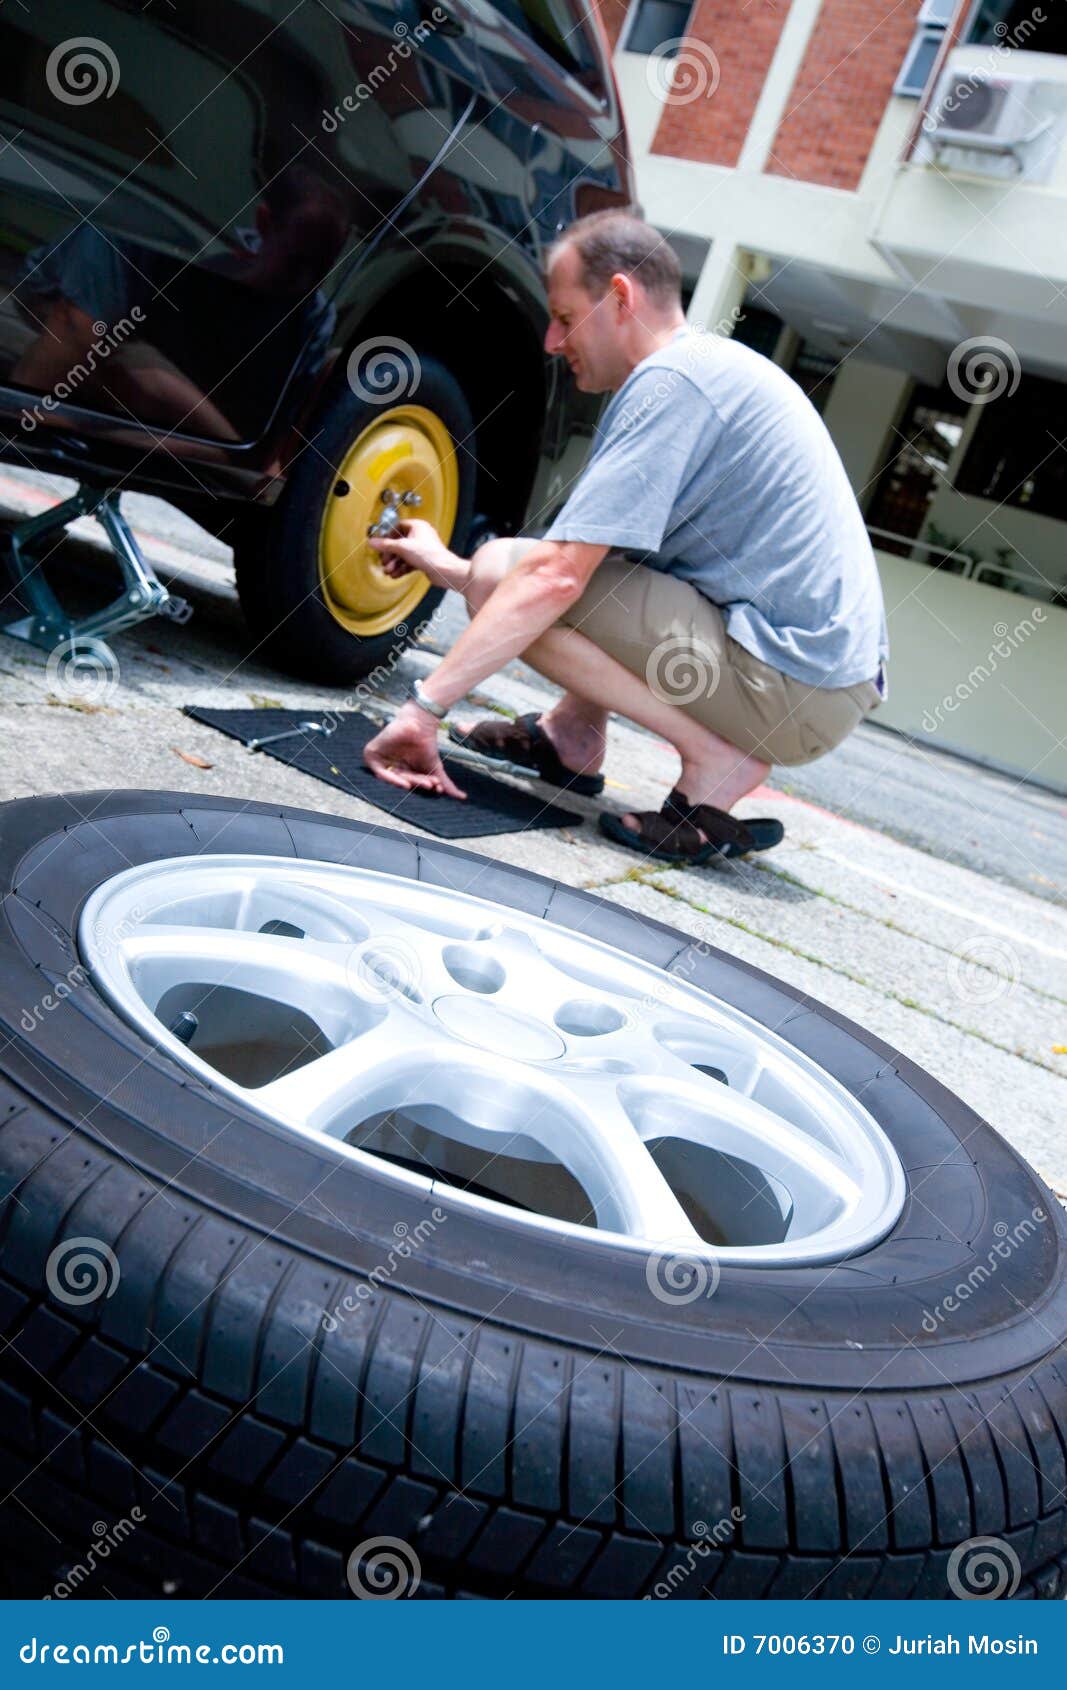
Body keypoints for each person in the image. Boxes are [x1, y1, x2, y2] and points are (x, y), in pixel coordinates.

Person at [362, 210, 888, 863]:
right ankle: (570, 737)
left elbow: (552, 579)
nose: (552, 342)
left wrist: (422, 710)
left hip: (789, 685)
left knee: (512, 572)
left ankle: (713, 763)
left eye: (562, 316)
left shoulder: (672, 382)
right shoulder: (702, 369)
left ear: (618, 297)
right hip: (806, 681)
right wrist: (440, 562)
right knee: (529, 575)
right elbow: (610, 575)